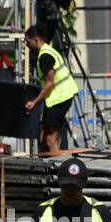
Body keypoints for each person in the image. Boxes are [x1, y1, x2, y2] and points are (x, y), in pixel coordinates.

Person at [23, 24, 78, 153]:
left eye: (27, 41)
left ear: (36, 40)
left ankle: (57, 169)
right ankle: (43, 167)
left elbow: (50, 84)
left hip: (59, 99)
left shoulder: (45, 57)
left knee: (50, 139)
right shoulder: (49, 50)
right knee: (42, 135)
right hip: (58, 98)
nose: (26, 45)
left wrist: (34, 102)